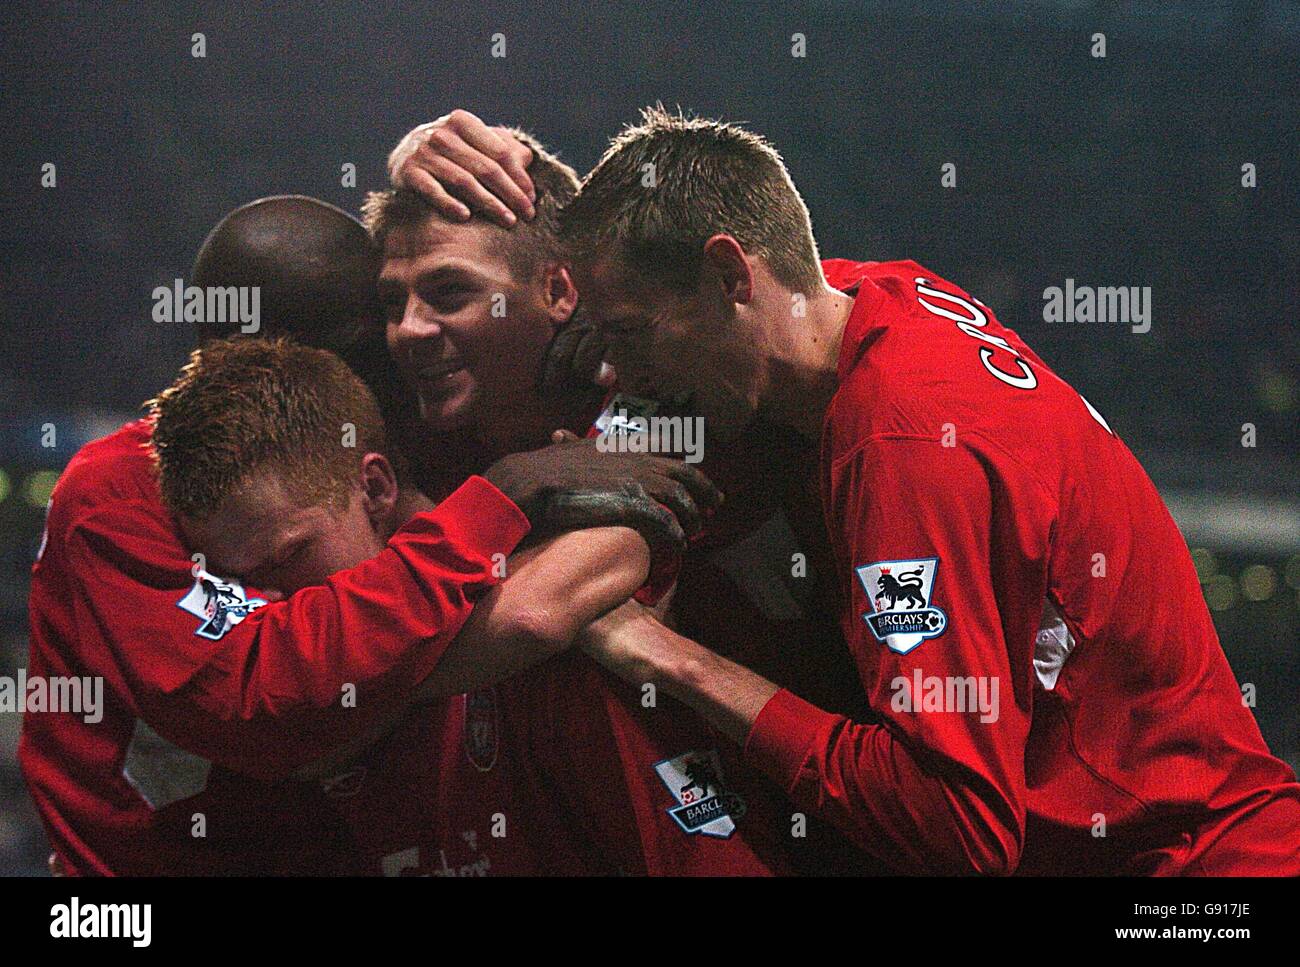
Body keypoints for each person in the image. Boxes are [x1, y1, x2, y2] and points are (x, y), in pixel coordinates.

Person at [558, 106, 1300, 875]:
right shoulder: (870, 298)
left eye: (629, 332)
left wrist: (673, 660)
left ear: (729, 276)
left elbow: (961, 830)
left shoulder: (903, 447)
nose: (614, 369)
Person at [19, 194, 714, 875]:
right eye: (365, 339)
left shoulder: (396, 429)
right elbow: (270, 700)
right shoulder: (114, 492)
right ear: (258, 367)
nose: (399, 346)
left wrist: (606, 325)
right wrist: (497, 505)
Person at [376, 116, 875, 872]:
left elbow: (533, 615)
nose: (410, 330)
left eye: (450, 292)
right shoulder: (423, 412)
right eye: (391, 302)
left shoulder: (677, 392)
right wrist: (410, 148)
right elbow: (288, 267)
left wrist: (308, 681)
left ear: (558, 289)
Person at [152, 337, 783, 875]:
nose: (269, 603)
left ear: (373, 486)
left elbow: (538, 614)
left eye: (287, 557)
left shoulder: (554, 549)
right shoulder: (298, 690)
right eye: (242, 582)